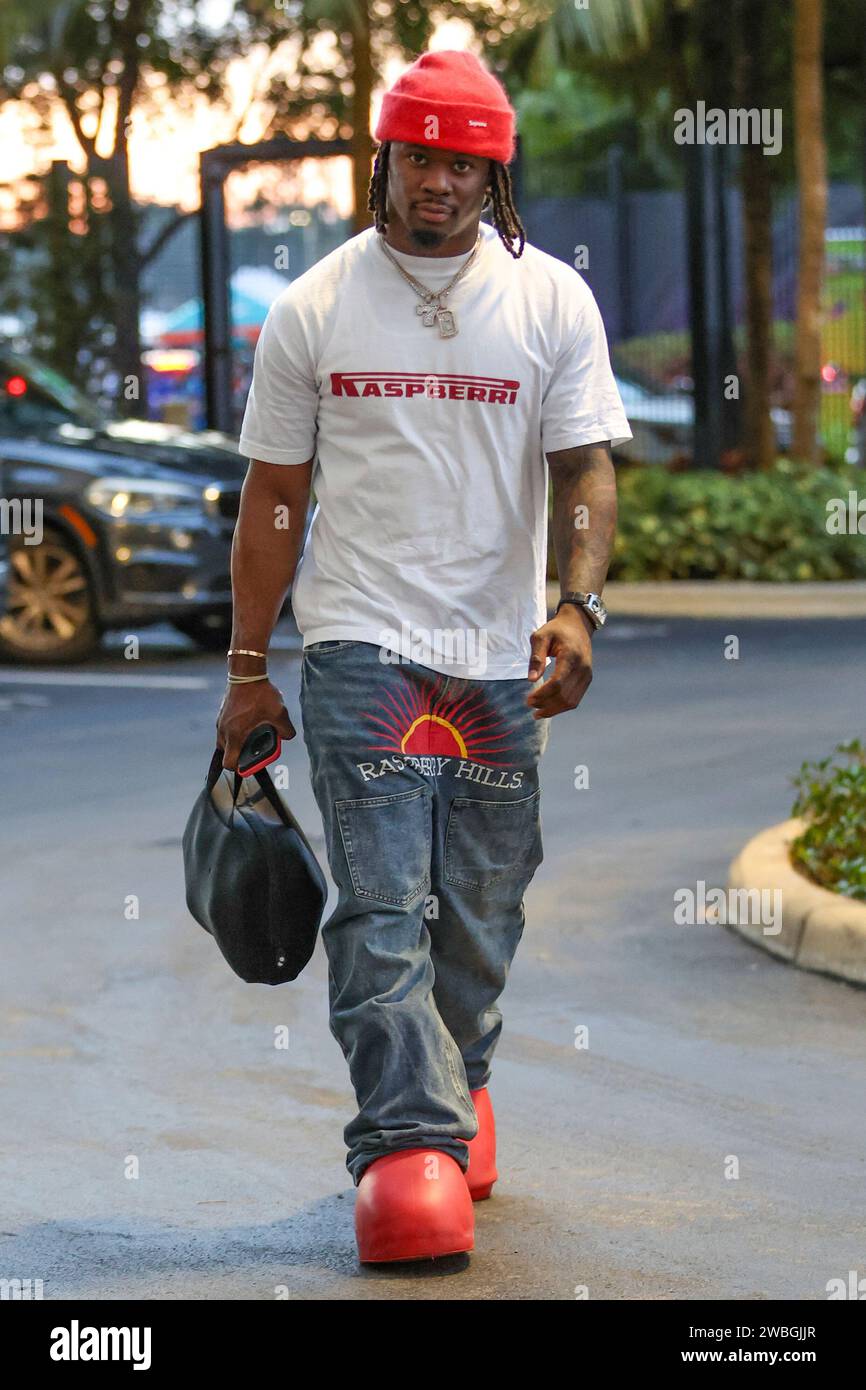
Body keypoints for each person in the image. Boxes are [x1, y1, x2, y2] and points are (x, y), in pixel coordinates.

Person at [217, 48, 632, 1264]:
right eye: (419, 155)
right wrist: (249, 665)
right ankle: (406, 1146)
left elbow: (584, 470)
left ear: (493, 173)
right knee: (384, 906)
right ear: (380, 159)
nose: (437, 180)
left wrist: (577, 606)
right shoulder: (316, 307)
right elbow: (276, 495)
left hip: (501, 657)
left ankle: (460, 1080)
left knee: (483, 906)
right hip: (360, 649)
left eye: (463, 160)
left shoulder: (551, 299)